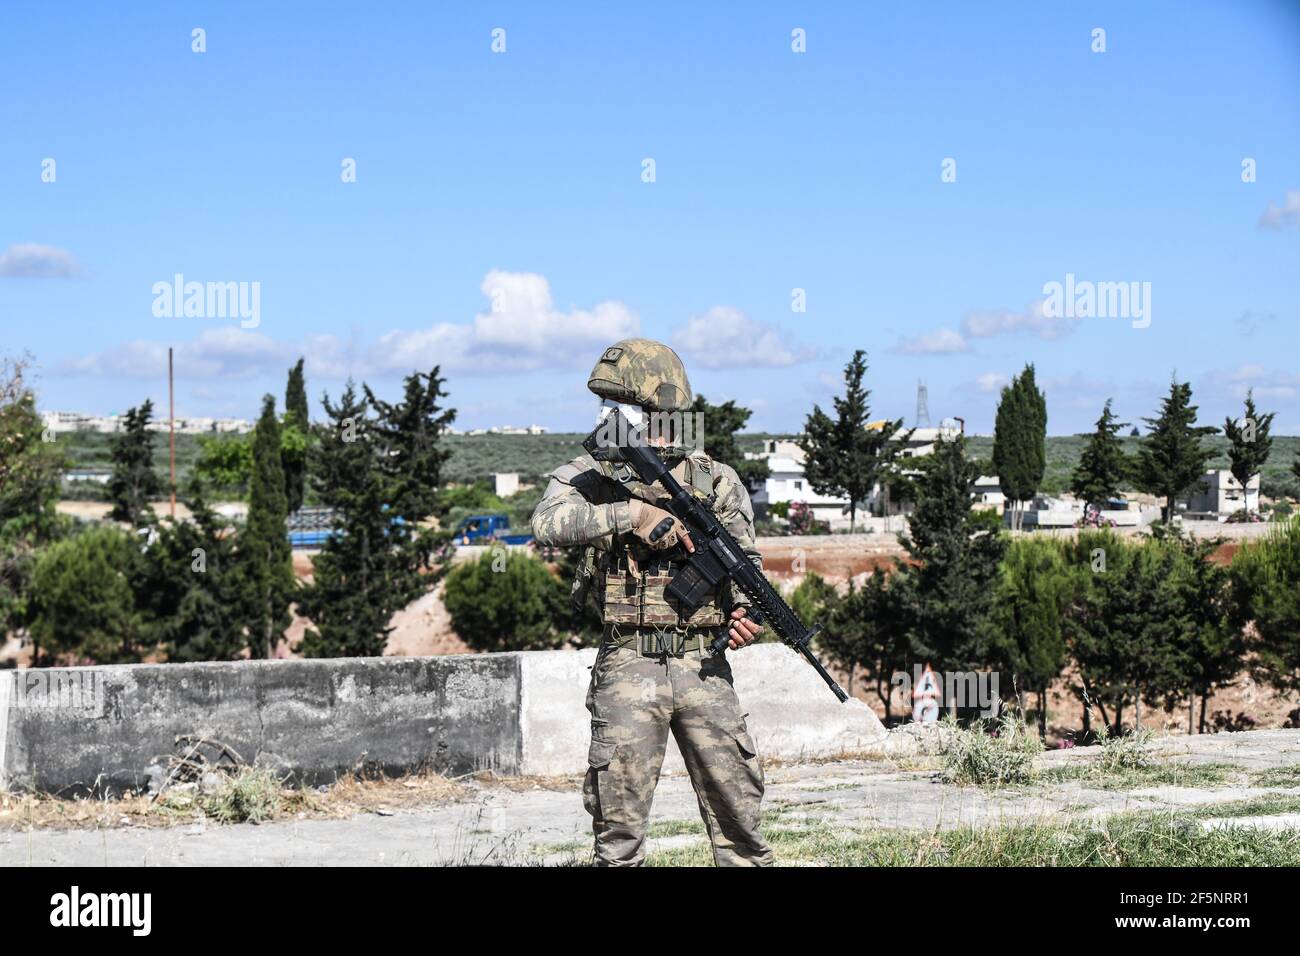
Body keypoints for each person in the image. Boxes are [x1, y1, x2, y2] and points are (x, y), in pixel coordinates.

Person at [531, 338, 773, 867]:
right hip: (627, 660)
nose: (608, 417)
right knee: (617, 833)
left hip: (703, 662)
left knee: (741, 822)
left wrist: (747, 615)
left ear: (659, 407)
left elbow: (747, 564)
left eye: (622, 407)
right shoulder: (593, 474)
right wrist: (632, 516)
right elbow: (546, 523)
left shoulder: (717, 480)